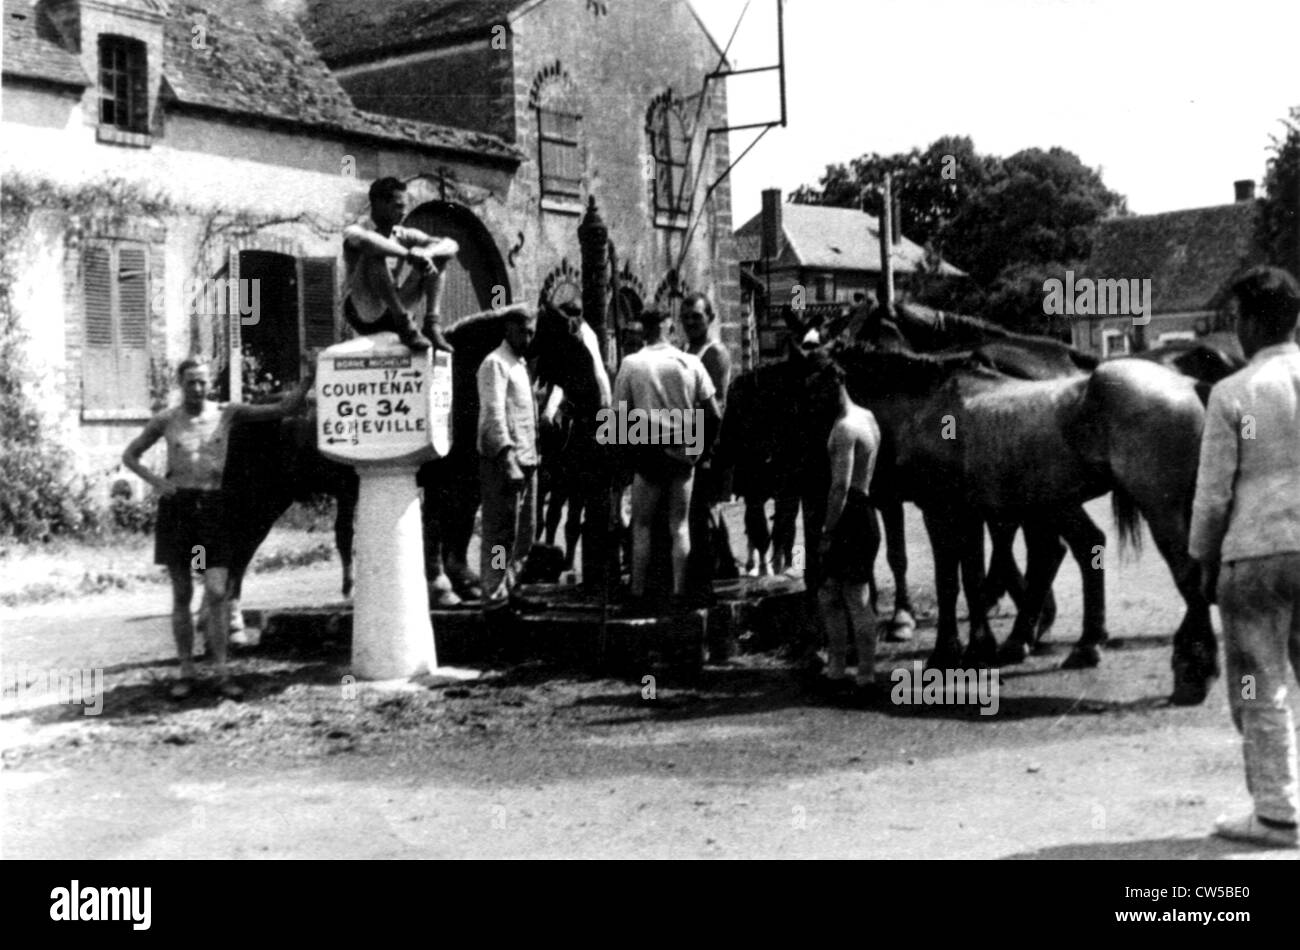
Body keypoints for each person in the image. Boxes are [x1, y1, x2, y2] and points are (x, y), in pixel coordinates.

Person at [122, 358, 312, 700]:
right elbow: (131, 455)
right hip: (179, 510)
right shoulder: (167, 420)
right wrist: (156, 483)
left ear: (210, 383)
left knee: (216, 589)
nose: (198, 388)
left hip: (212, 510)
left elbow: (285, 407)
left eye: (203, 382)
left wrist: (309, 378)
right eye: (191, 382)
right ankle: (186, 670)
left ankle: (222, 670)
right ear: (180, 384)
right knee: (182, 594)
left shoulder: (226, 412)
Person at [1190, 265, 1300, 848]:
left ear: (1252, 322)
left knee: (1260, 683)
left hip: (1257, 555)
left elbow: (1213, 494)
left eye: (1236, 320)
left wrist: (1203, 561)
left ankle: (1278, 813)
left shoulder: (1233, 394)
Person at [612, 308, 721, 603]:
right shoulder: (690, 362)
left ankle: (637, 590)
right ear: (668, 326)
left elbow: (618, 417)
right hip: (684, 449)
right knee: (679, 525)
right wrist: (699, 449)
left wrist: (625, 459)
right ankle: (679, 590)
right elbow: (713, 414)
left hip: (647, 448)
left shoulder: (631, 364)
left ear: (644, 330)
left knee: (642, 525)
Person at [813, 359, 882, 704]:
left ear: (835, 385)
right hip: (866, 511)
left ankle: (863, 676)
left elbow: (839, 485)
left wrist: (827, 531)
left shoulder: (843, 429)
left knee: (852, 598)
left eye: (822, 389)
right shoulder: (868, 418)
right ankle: (840, 671)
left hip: (849, 515)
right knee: (834, 594)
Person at [342, 176, 459, 352]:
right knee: (375, 252)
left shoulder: (403, 234)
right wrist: (409, 255)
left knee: (439, 254)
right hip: (364, 311)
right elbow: (365, 240)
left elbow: (451, 244)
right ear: (379, 204)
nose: (404, 212)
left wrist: (427, 253)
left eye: (405, 207)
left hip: (393, 312)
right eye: (398, 206)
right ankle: (404, 322)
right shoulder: (358, 229)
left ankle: (431, 324)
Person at [477, 306, 540, 627]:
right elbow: (493, 417)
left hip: (528, 461)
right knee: (500, 535)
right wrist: (508, 459)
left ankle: (510, 587)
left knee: (523, 535)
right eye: (522, 331)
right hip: (505, 464)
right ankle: (494, 598)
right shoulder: (495, 364)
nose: (527, 337)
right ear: (508, 329)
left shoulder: (520, 364)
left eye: (531, 332)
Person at [680, 292, 735, 590]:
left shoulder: (715, 353)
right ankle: (725, 563)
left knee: (706, 504)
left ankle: (718, 565)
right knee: (703, 504)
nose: (691, 322)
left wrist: (703, 445)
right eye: (686, 317)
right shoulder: (686, 350)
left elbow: (718, 404)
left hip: (707, 438)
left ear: (710, 319)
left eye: (697, 317)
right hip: (688, 435)